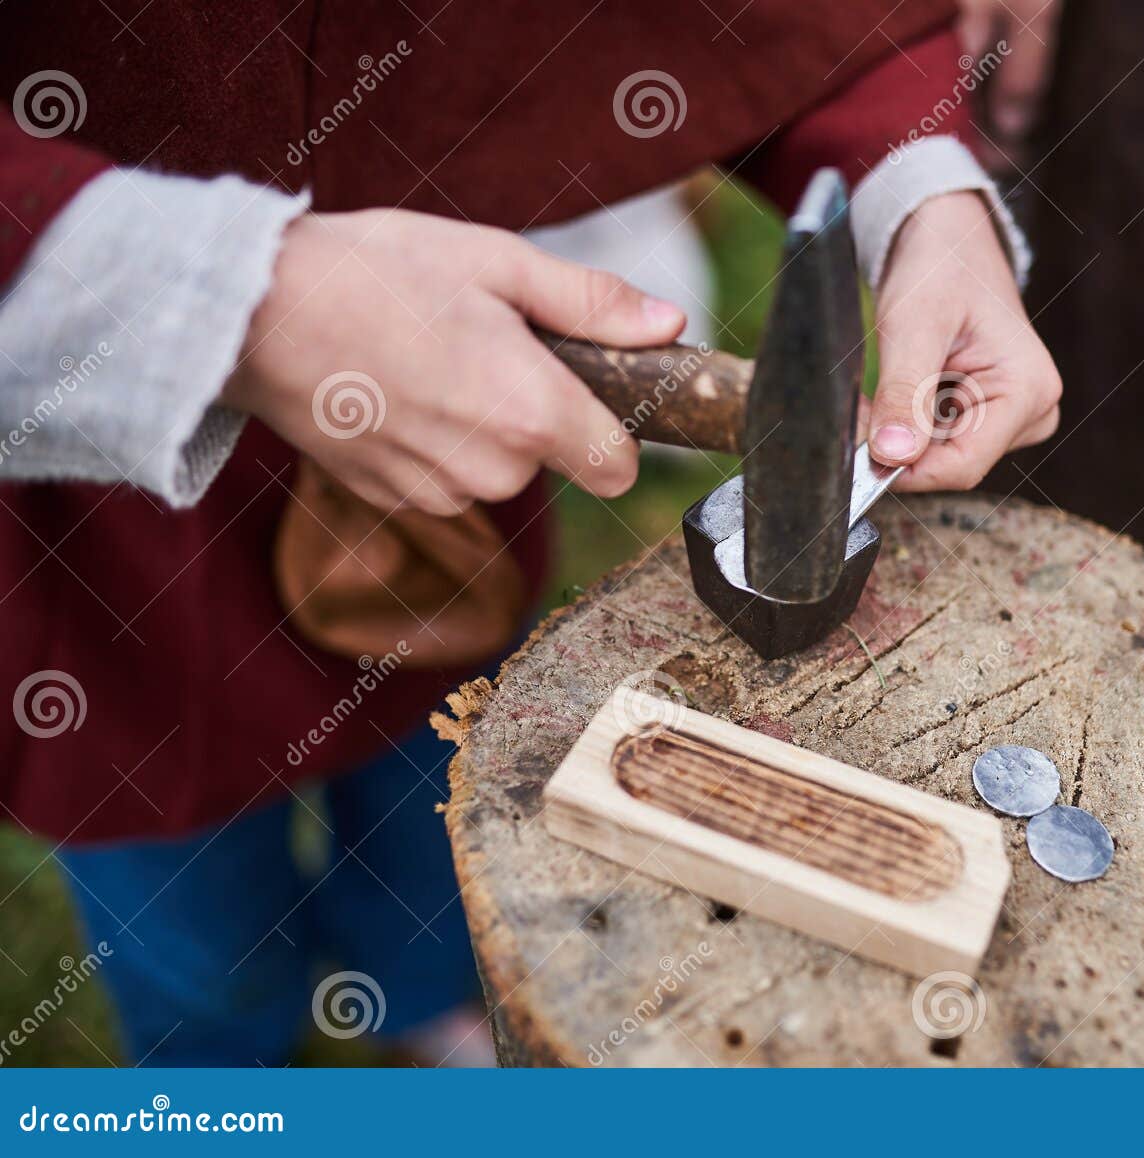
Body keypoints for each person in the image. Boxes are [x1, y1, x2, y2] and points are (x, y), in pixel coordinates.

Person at [0, 3, 1061, 1065]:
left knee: (438, 818)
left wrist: (921, 197)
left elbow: (781, 27)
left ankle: (416, 999)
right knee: (197, 938)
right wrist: (216, 300)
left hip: (459, 503)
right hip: (102, 561)